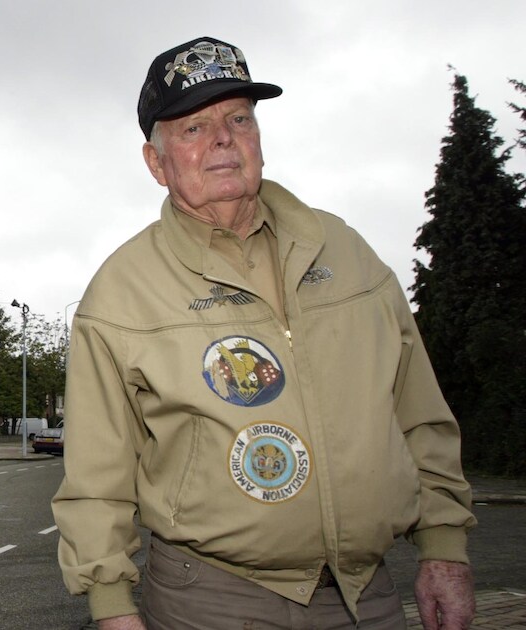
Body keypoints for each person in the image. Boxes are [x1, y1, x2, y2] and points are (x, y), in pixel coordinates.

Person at [52, 36, 476, 630]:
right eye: (194, 128)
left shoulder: (348, 253)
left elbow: (420, 415)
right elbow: (96, 479)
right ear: (156, 162)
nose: (223, 138)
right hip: (214, 600)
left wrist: (443, 548)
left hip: (368, 594)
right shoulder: (121, 293)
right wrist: (112, 608)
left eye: (238, 119)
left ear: (258, 139)